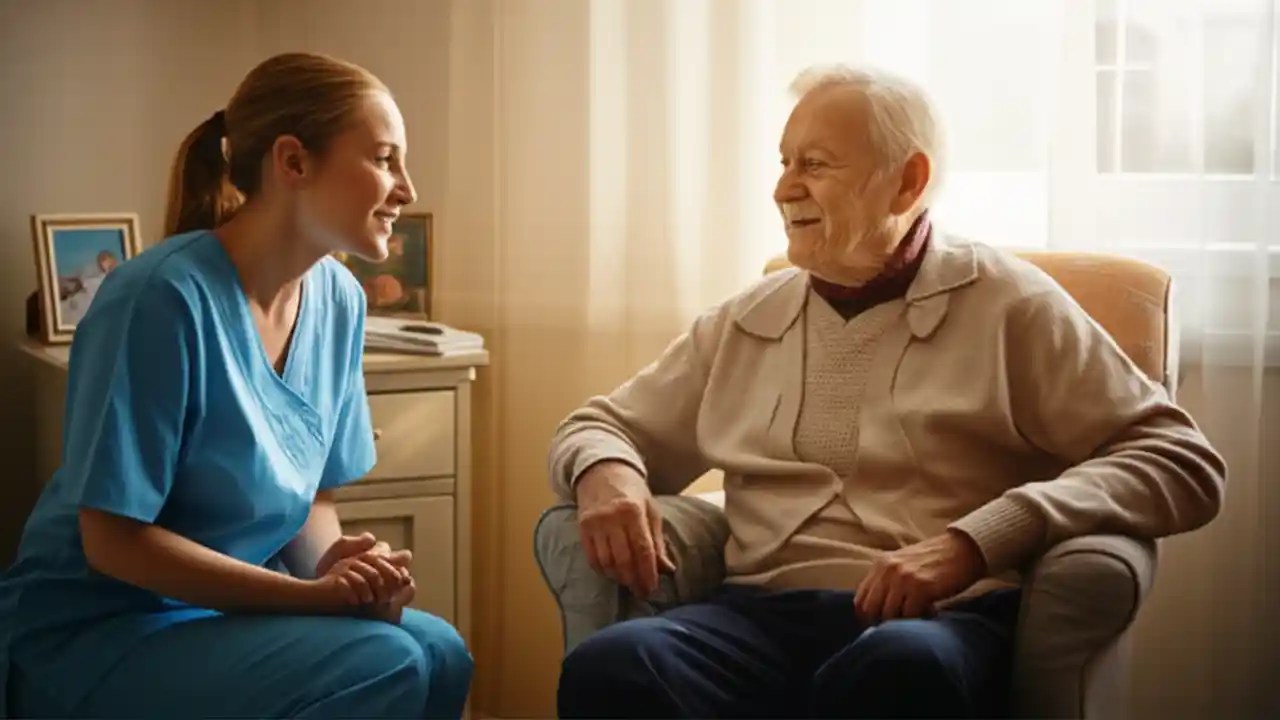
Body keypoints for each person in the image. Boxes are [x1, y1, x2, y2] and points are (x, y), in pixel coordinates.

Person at [549, 65, 1227, 719]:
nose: (785, 189)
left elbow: (1180, 461)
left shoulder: (1010, 305)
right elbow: (603, 424)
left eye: (814, 165)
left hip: (938, 621)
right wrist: (606, 470)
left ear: (908, 182)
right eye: (783, 163)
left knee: (901, 670)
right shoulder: (746, 318)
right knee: (613, 666)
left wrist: (975, 541)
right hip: (756, 618)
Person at [0, 52, 472, 719]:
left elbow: (311, 499)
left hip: (227, 615)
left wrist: (337, 567)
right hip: (100, 628)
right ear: (293, 162)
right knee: (385, 661)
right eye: (385, 159)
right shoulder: (159, 299)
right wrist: (308, 599)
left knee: (441, 651)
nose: (407, 189)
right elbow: (112, 541)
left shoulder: (339, 299)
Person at [58, 249, 121, 326]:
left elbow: (81, 282)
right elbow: (80, 282)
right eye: (101, 260)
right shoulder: (98, 279)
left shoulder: (102, 280)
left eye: (104, 259)